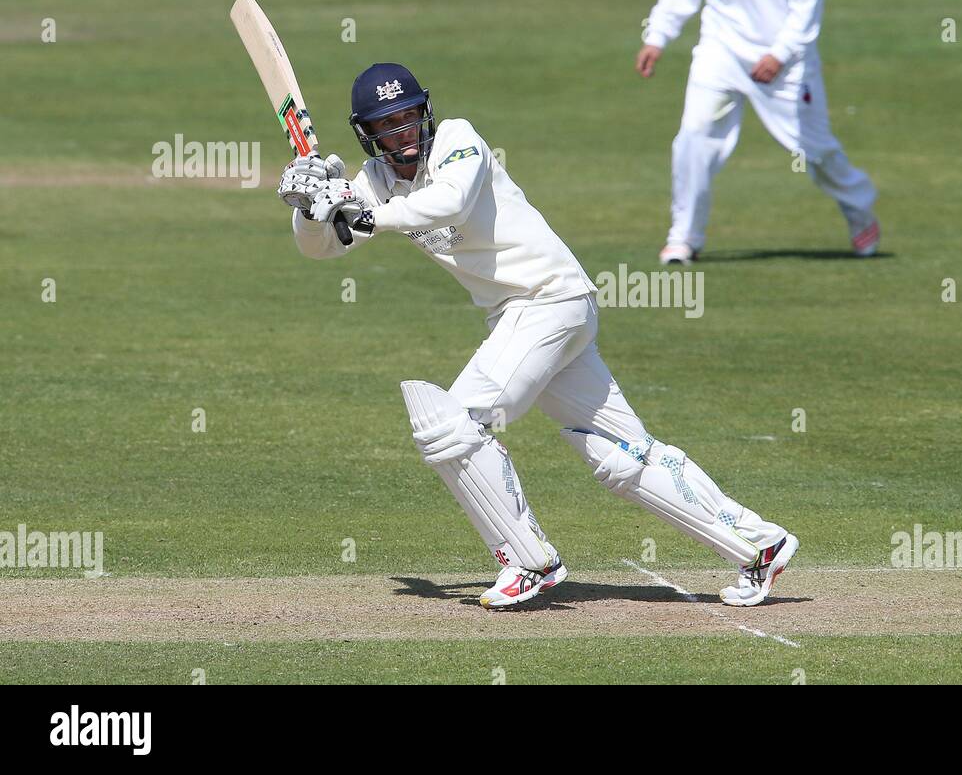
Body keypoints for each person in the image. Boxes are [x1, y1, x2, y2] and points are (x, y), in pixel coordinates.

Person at [276, 62, 798, 608]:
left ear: (425, 113)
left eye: (409, 116)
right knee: (621, 456)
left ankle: (528, 562)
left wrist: (362, 216)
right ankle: (758, 545)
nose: (403, 131)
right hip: (524, 315)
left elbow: (449, 201)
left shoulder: (458, 140)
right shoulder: (376, 184)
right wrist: (311, 210)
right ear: (370, 133)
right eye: (389, 124)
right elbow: (324, 246)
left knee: (452, 425)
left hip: (548, 299)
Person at [637, 0, 880, 264]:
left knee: (815, 150)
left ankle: (860, 210)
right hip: (722, 50)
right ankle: (684, 237)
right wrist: (658, 35)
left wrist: (780, 53)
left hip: (786, 57)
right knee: (695, 135)